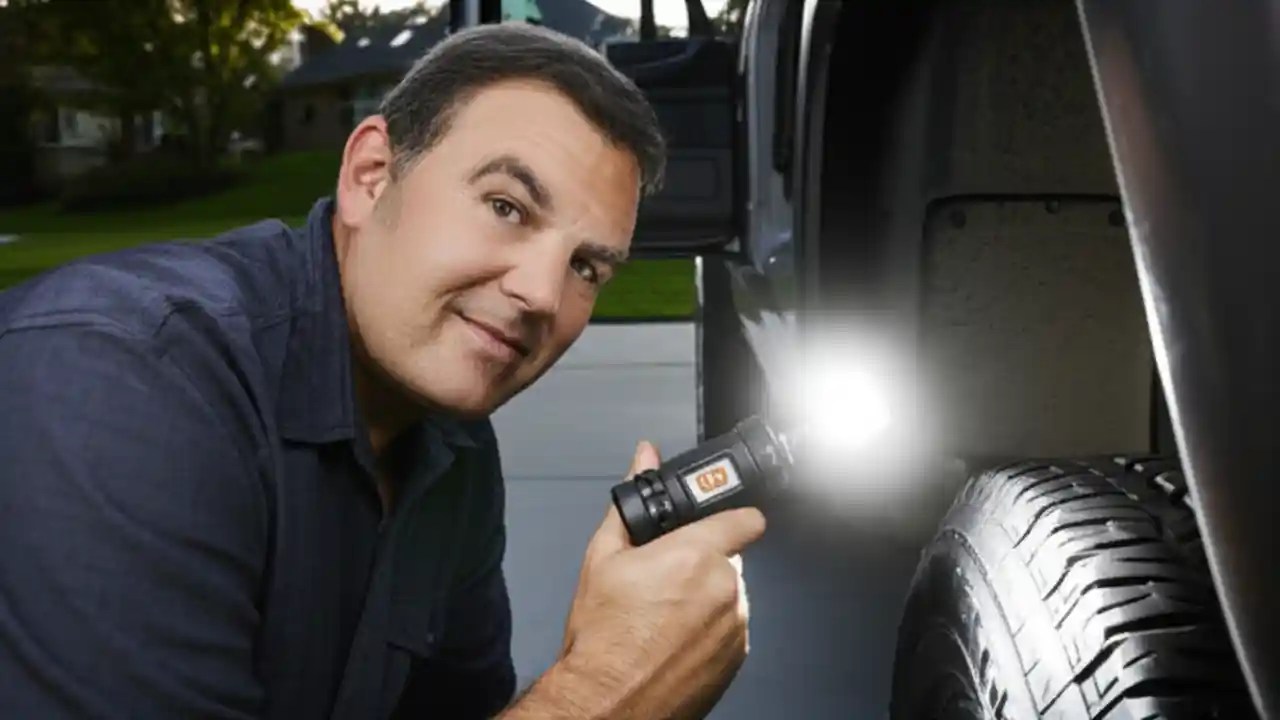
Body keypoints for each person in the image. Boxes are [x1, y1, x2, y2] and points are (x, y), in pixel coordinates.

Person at [0, 22, 766, 720]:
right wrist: (610, 692)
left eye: (588, 267)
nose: (542, 293)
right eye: (506, 206)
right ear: (370, 175)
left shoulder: (452, 450)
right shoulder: (120, 385)